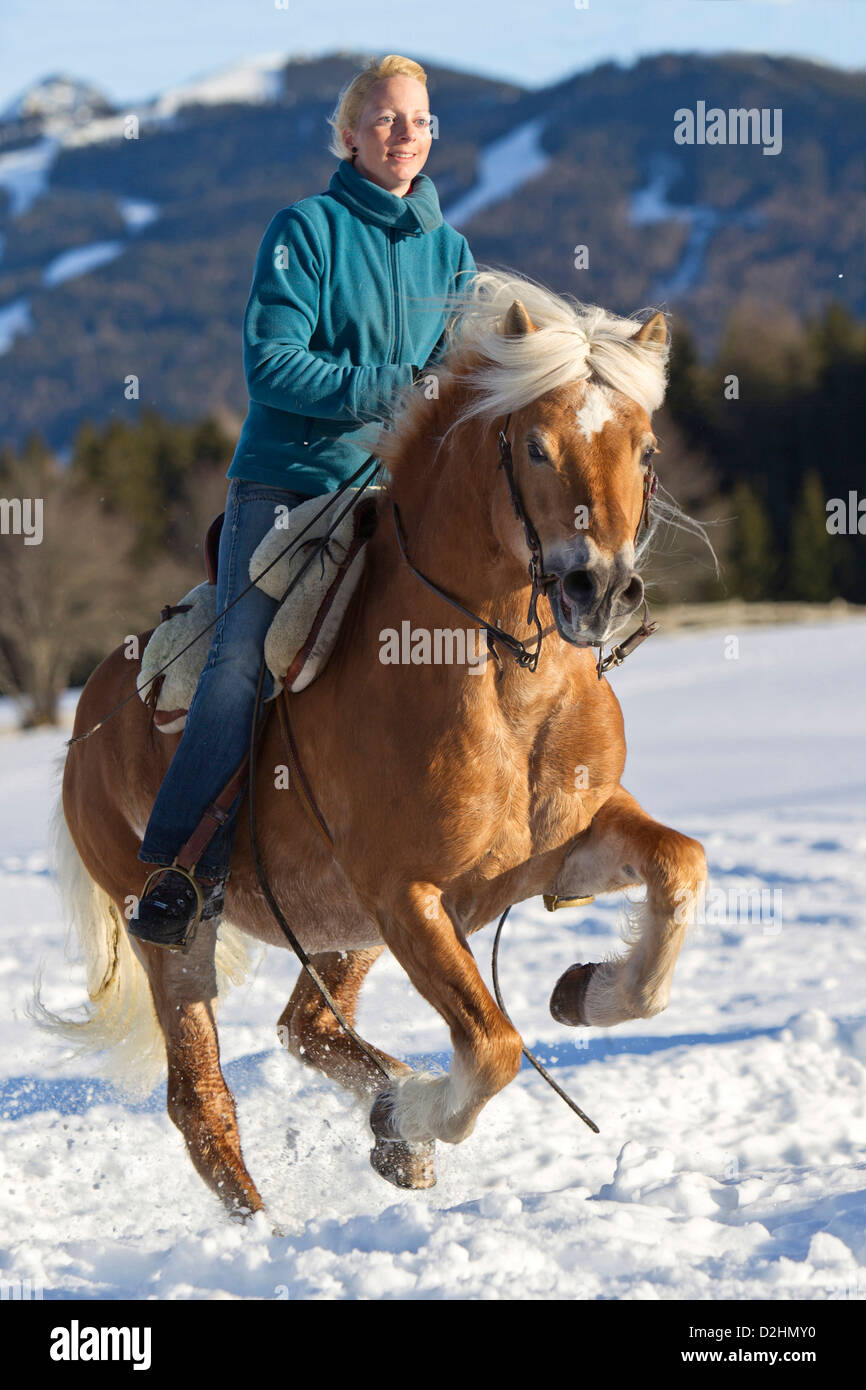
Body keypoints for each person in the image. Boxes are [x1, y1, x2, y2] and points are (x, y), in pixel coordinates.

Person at [131, 53, 476, 949]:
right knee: (243, 660)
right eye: (389, 119)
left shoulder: (453, 252)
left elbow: (460, 379)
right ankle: (175, 867)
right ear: (351, 134)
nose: (407, 135)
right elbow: (272, 365)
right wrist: (399, 390)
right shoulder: (306, 229)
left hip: (394, 490)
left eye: (421, 119)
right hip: (289, 480)